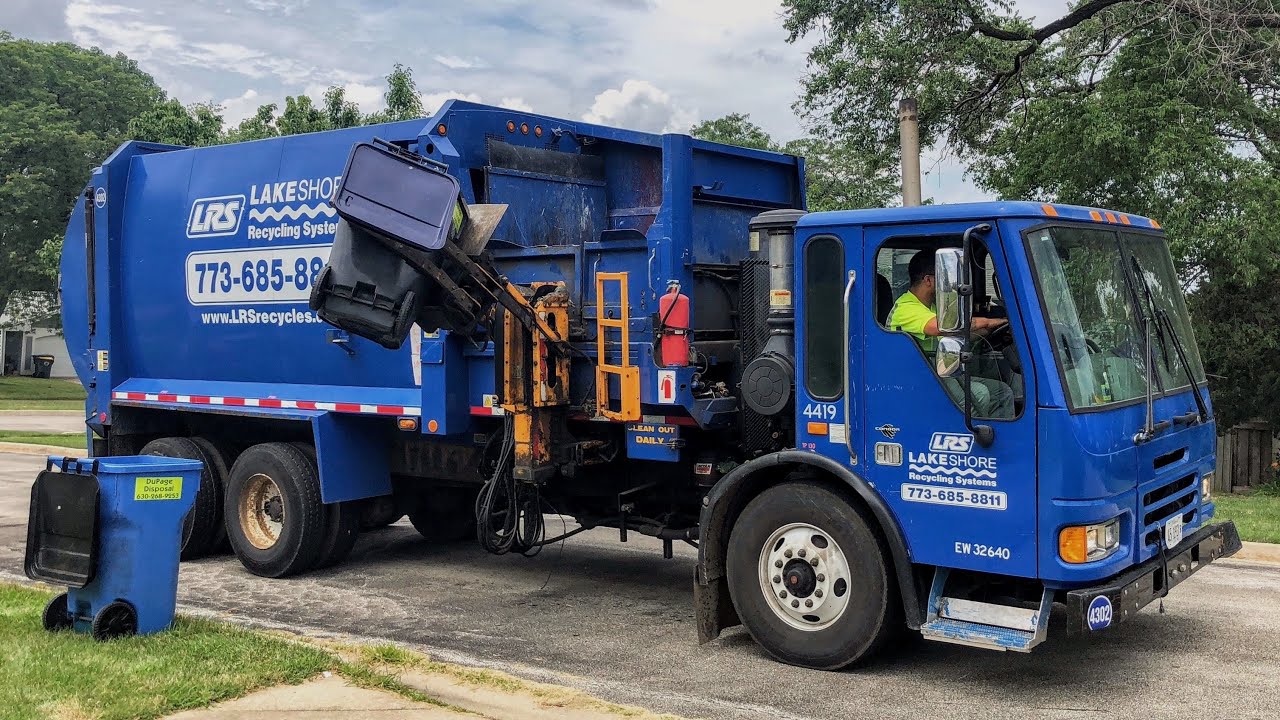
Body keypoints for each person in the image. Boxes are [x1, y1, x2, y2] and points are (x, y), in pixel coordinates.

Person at [888, 250, 1014, 419]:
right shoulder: (906, 308)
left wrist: (988, 331)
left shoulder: (931, 307)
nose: (950, 284)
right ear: (929, 280)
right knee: (980, 394)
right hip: (916, 378)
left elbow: (953, 336)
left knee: (1002, 393)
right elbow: (944, 327)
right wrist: (997, 321)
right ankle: (969, 438)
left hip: (939, 371)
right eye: (944, 278)